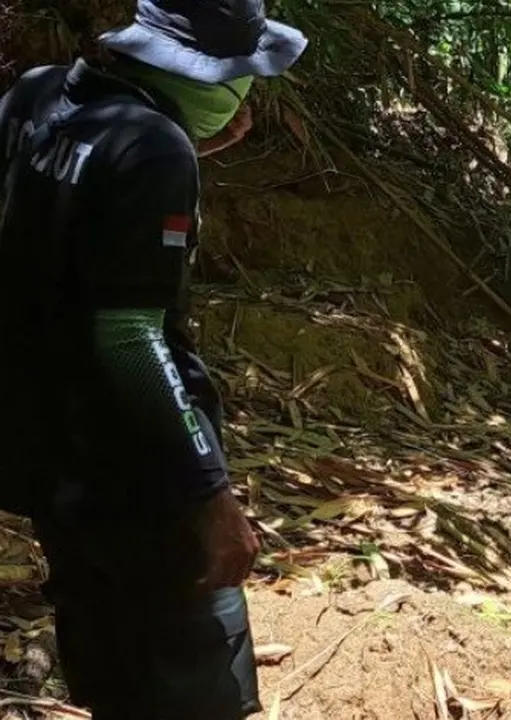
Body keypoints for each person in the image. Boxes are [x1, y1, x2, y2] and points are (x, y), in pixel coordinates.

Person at [0, 1, 306, 717]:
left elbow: (57, 207)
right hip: (138, 466)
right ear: (207, 70)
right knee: (199, 689)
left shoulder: (36, 95)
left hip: (51, 457)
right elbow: (131, 336)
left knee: (109, 659)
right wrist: (209, 494)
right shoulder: (154, 149)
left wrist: (181, 148)